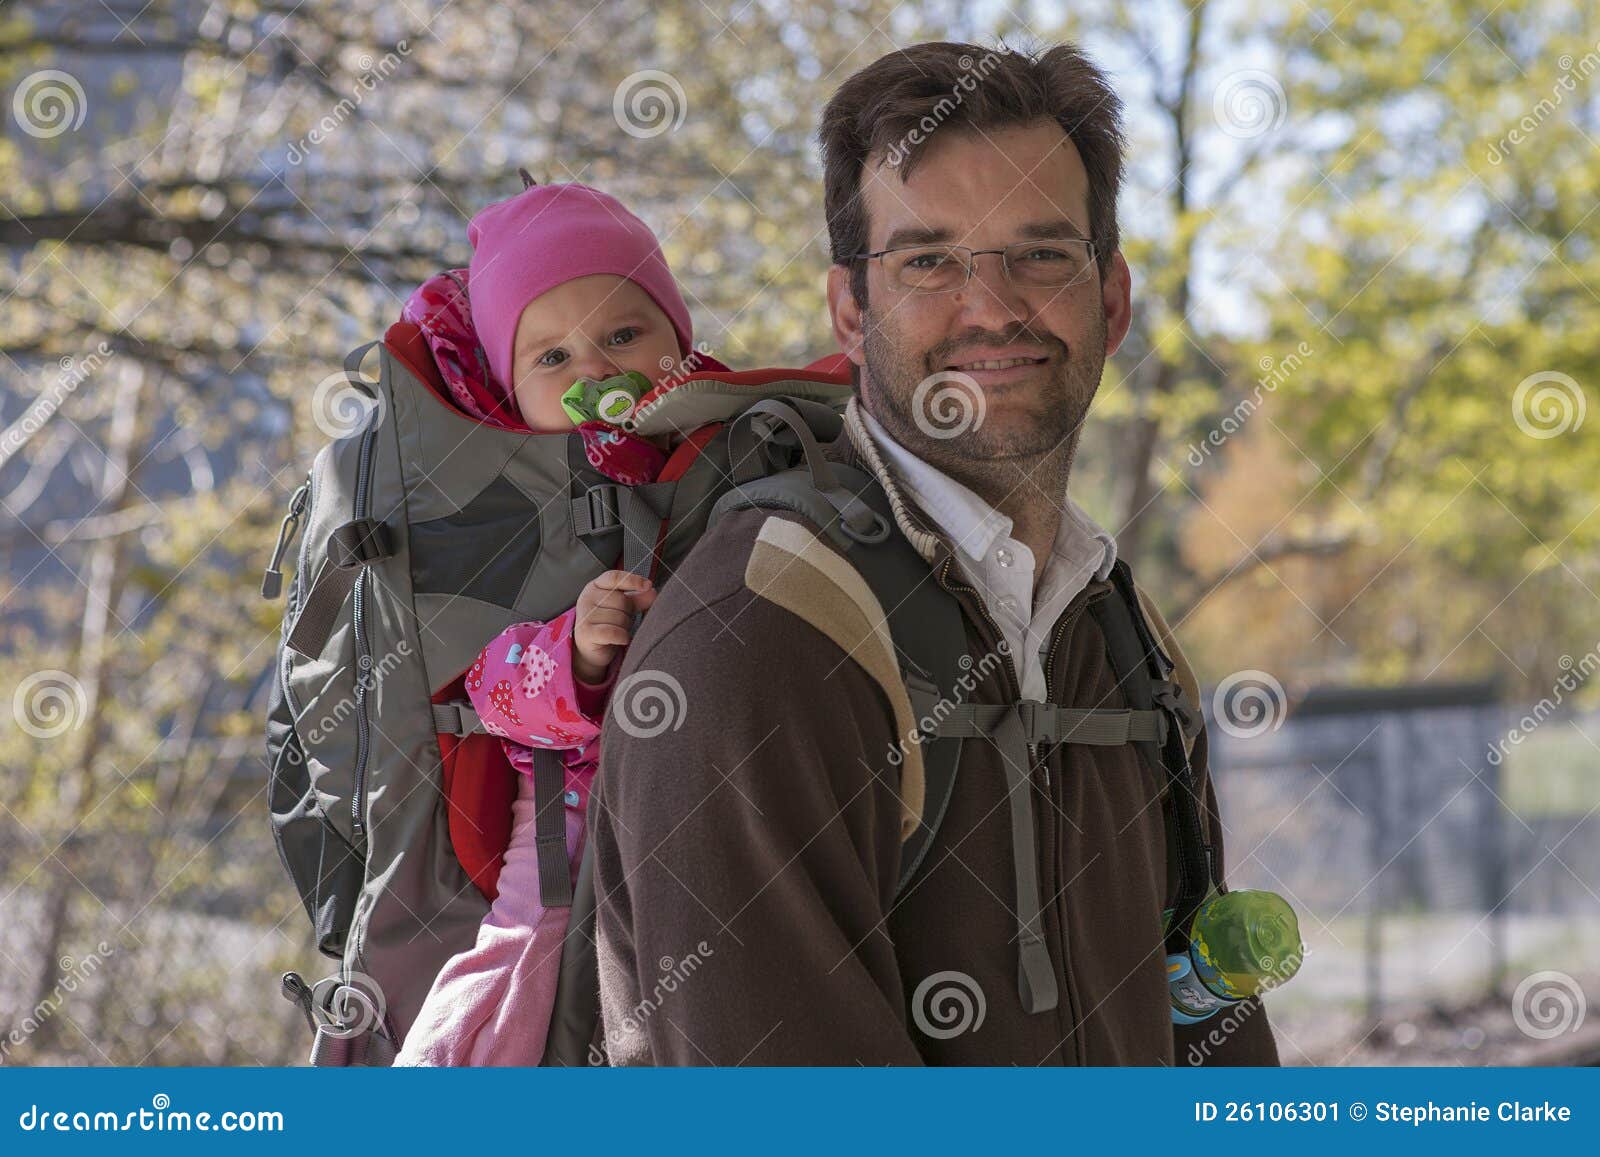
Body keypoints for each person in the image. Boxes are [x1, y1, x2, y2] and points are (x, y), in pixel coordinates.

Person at [588, 41, 1283, 1065]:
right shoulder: (757, 638)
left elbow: (1205, 1033)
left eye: (1042, 253)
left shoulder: (1122, 634)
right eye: (928, 260)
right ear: (849, 309)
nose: (992, 305)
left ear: (1112, 298)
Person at [394, 180, 691, 1065]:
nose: (595, 370)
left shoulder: (720, 454)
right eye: (552, 357)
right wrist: (579, 653)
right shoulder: (510, 504)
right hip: (559, 838)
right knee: (509, 1000)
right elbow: (487, 684)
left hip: (690, 821)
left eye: (623, 335)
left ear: (680, 341)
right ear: (509, 388)